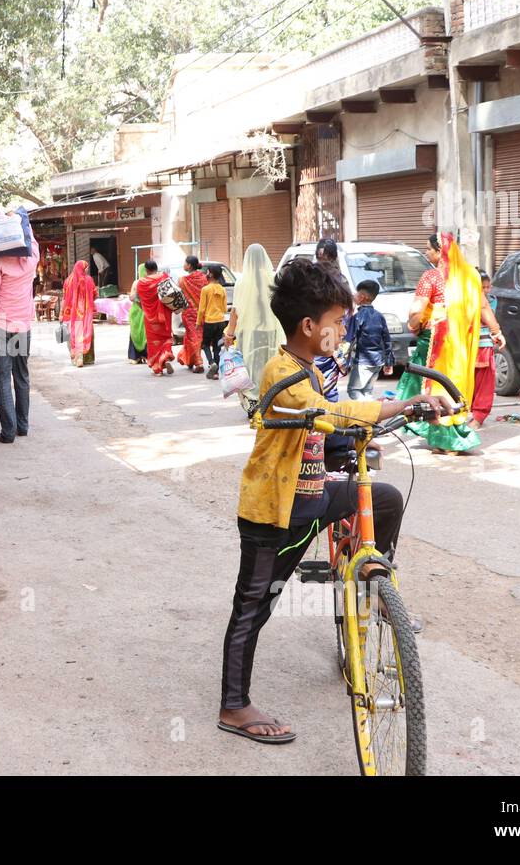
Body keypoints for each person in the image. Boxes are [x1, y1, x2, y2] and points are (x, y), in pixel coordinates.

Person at [219, 259, 448, 744]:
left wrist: (358, 442)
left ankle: (370, 584)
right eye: (338, 321)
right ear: (309, 326)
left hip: (314, 494)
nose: (343, 329)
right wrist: (404, 403)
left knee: (383, 498)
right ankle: (234, 707)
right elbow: (327, 413)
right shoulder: (283, 374)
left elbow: (323, 435)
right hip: (275, 512)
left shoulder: (310, 366)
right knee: (253, 606)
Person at [395, 233, 500, 453]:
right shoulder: (471, 276)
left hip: (436, 342)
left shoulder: (431, 277)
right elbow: (483, 307)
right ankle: (451, 433)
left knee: (431, 386)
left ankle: (442, 438)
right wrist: (496, 330)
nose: (426, 253)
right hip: (462, 343)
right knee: (455, 385)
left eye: (428, 249)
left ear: (439, 252)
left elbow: (417, 310)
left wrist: (413, 323)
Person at [0, 235, 40, 443]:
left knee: (2, 378)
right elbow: (33, 242)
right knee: (21, 376)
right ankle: (22, 426)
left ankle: (8, 432)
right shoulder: (30, 259)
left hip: (0, 326)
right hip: (21, 325)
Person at [225, 244, 284, 408]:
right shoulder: (274, 278)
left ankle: (253, 401)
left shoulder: (241, 282)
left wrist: (229, 335)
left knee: (251, 367)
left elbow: (235, 312)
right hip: (272, 332)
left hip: (250, 334)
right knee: (271, 365)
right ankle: (272, 398)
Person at [344, 279, 394, 400]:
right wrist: (389, 361)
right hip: (378, 361)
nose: (354, 296)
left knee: (354, 390)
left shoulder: (357, 317)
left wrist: (342, 360)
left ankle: (371, 412)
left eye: (356, 293)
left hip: (363, 361)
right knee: (367, 391)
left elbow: (348, 340)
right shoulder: (380, 316)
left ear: (362, 297)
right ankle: (372, 415)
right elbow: (387, 340)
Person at [313, 238, 344, 401]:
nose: (322, 262)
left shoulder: (339, 280)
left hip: (328, 330)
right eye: (319, 258)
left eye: (326, 258)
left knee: (326, 369)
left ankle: (327, 410)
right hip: (316, 329)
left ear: (333, 258)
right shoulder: (311, 278)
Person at [135, 258, 175, 376]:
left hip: (149, 317)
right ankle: (166, 356)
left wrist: (145, 308)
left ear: (146, 270)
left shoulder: (141, 283)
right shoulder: (164, 277)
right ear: (156, 268)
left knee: (154, 342)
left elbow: (137, 300)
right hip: (165, 315)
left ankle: (158, 368)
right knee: (166, 337)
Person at [470, 271, 499, 428]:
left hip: (484, 343)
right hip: (467, 344)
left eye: (488, 287)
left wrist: (496, 332)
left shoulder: (491, 301)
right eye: (483, 287)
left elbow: (488, 319)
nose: (486, 291)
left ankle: (478, 416)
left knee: (484, 382)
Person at [61, 259, 97, 367]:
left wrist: (61, 313)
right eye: (86, 267)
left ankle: (76, 358)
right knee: (86, 332)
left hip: (71, 313)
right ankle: (87, 358)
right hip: (85, 313)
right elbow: (95, 294)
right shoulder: (89, 280)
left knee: (73, 334)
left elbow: (64, 298)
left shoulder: (68, 280)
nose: (87, 269)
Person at [177, 255, 208, 374]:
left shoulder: (183, 280)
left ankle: (198, 362)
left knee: (193, 336)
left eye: (185, 263)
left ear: (189, 265)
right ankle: (190, 360)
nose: (183, 265)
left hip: (189, 313)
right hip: (202, 312)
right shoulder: (204, 278)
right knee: (196, 336)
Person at [199, 265, 229, 378]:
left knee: (205, 344)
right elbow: (225, 308)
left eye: (207, 272)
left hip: (209, 321)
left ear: (210, 274)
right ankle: (216, 373)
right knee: (217, 346)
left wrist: (198, 323)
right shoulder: (222, 289)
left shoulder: (205, 289)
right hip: (220, 321)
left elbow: (201, 309)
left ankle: (212, 363)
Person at [127, 263, 148, 364]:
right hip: (147, 310)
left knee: (135, 333)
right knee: (146, 333)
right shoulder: (150, 282)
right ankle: (147, 355)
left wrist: (137, 299)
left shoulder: (136, 282)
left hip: (136, 311)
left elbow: (132, 297)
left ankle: (135, 356)